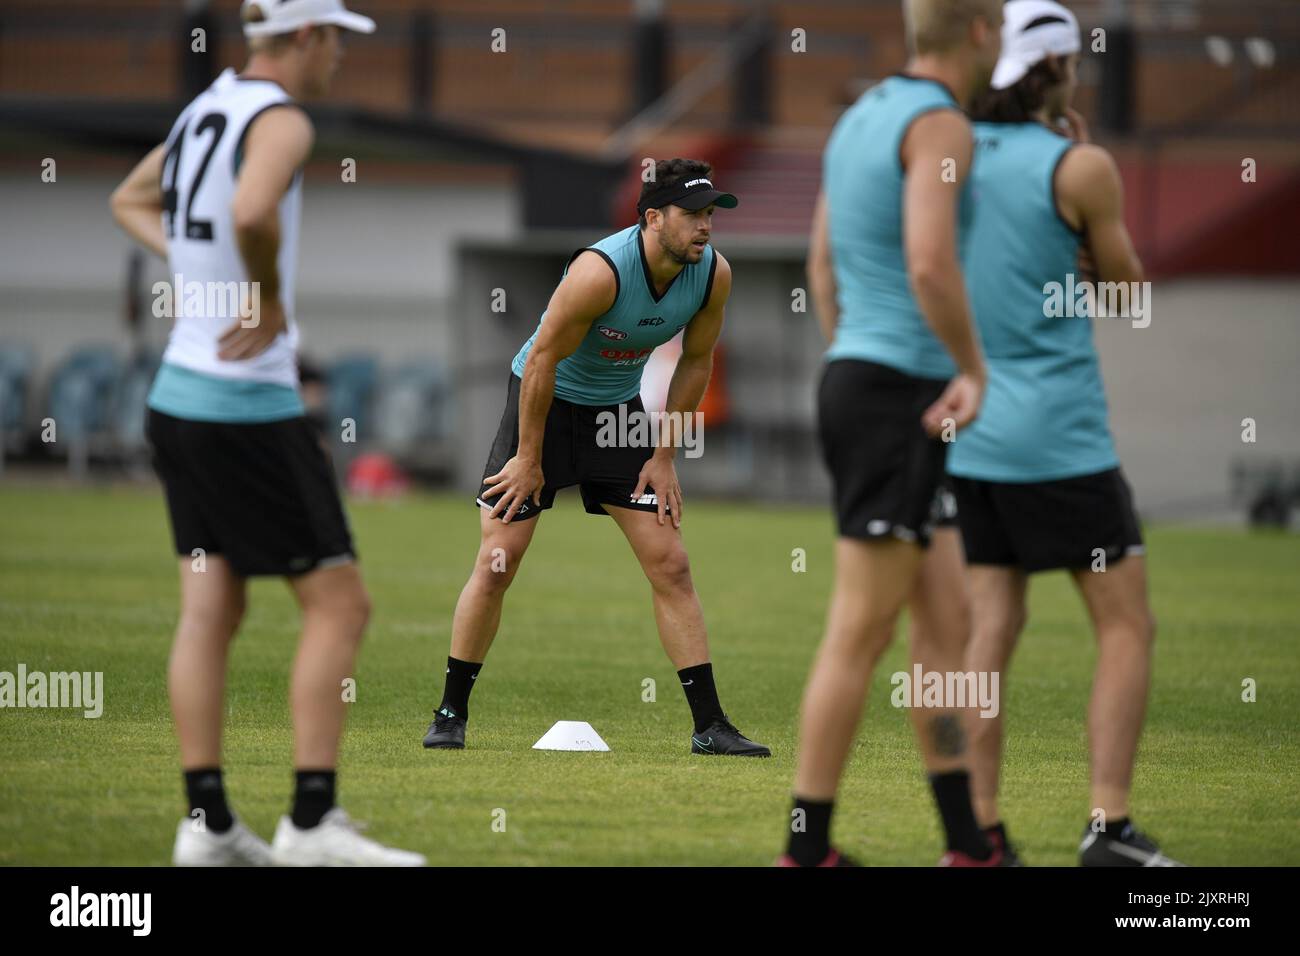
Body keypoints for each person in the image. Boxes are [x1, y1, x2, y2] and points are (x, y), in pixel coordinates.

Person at [111, 0, 423, 866]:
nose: (340, 60)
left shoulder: (205, 105)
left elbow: (129, 199)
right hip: (245, 404)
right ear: (307, 36)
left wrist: (197, 271)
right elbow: (251, 215)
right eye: (337, 42)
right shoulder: (281, 119)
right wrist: (266, 297)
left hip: (177, 396)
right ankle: (312, 823)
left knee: (210, 608)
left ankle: (205, 826)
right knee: (340, 604)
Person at [421, 159, 769, 759]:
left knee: (672, 563)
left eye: (711, 214)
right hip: (545, 407)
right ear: (653, 217)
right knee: (500, 561)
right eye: (693, 214)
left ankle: (710, 727)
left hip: (616, 416)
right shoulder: (599, 272)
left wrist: (664, 455)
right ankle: (451, 714)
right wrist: (530, 458)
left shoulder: (713, 276)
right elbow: (541, 363)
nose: (706, 227)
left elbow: (695, 362)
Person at [950, 0, 1181, 866]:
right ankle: (1108, 829)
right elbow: (1126, 291)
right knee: (1126, 627)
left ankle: (978, 830)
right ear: (1056, 69)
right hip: (1060, 438)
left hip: (970, 434)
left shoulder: (954, 156)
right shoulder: (1081, 167)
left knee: (990, 629)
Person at [782, 0, 1004, 867]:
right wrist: (970, 370)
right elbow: (928, 259)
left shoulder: (861, 115)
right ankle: (806, 850)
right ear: (981, 31)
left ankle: (966, 844)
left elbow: (819, 264)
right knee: (860, 630)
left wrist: (853, 353)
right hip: (899, 398)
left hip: (863, 382)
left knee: (946, 624)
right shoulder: (940, 123)